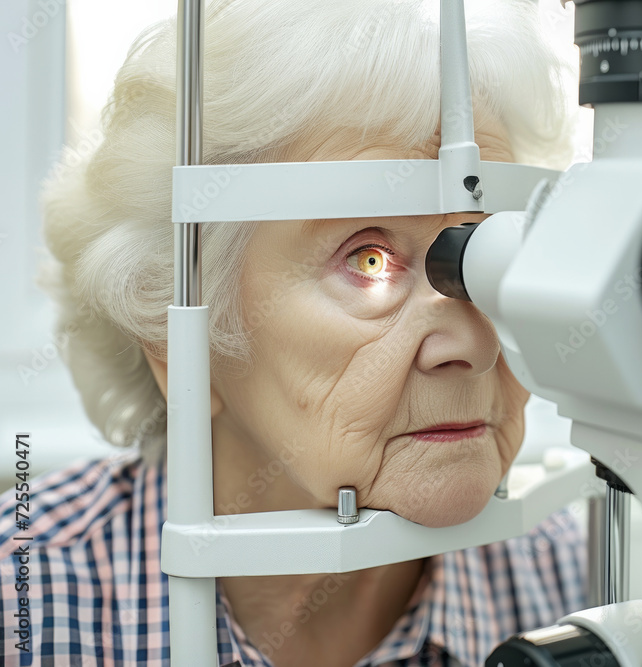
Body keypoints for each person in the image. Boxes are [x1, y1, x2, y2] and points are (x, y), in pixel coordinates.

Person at [0, 0, 587, 664]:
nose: (476, 345)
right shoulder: (27, 598)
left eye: (485, 253)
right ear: (179, 340)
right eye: (368, 259)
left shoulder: (571, 579)